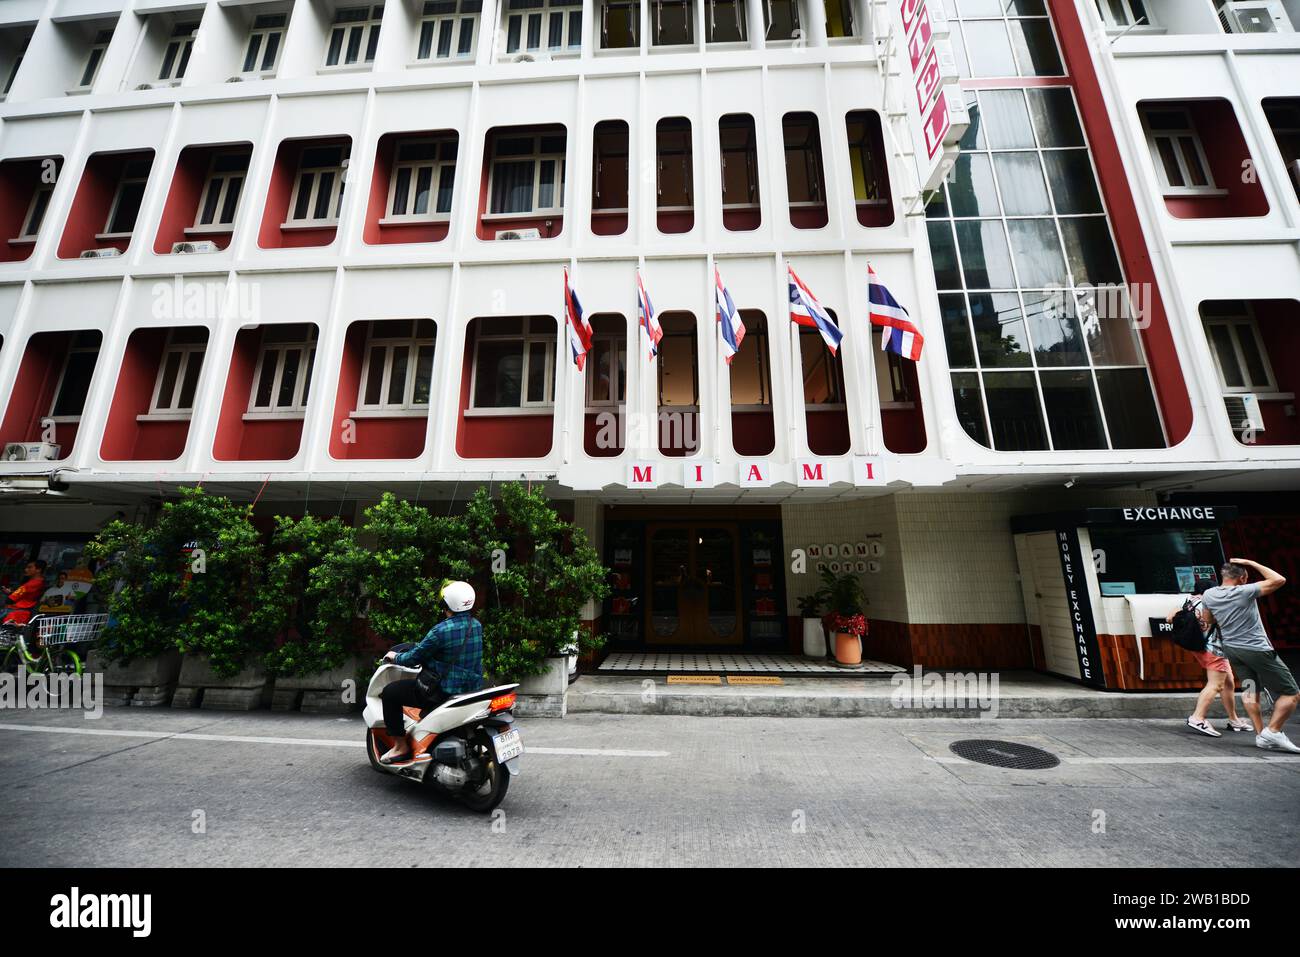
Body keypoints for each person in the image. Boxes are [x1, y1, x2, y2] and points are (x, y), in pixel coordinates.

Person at [378, 580, 484, 765]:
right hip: (470, 691)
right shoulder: (476, 625)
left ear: (445, 604)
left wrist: (395, 657)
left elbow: (413, 658)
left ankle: (400, 746)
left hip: (443, 691)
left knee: (390, 693)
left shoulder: (440, 630)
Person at [1200, 558, 1299, 754]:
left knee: (1250, 689)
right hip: (1256, 650)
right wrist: (1251, 562)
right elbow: (1279, 579)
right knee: (1292, 693)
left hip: (1233, 651)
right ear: (1243, 578)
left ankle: (1261, 734)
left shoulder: (1209, 594)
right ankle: (1273, 731)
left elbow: (1207, 619)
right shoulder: (1245, 591)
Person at [1169, 579, 1252, 737]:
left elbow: (1170, 617)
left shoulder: (1189, 600)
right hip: (1215, 650)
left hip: (1199, 648)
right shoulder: (1213, 603)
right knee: (1215, 685)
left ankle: (1234, 719)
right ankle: (1197, 718)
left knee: (1228, 682)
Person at [2, 559, 48, 626]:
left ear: (38, 570)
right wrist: (11, 593)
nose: (26, 570)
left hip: (15, 613)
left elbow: (9, 600)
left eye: (30, 567)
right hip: (22, 613)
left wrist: (10, 594)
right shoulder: (41, 582)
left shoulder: (31, 584)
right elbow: (24, 595)